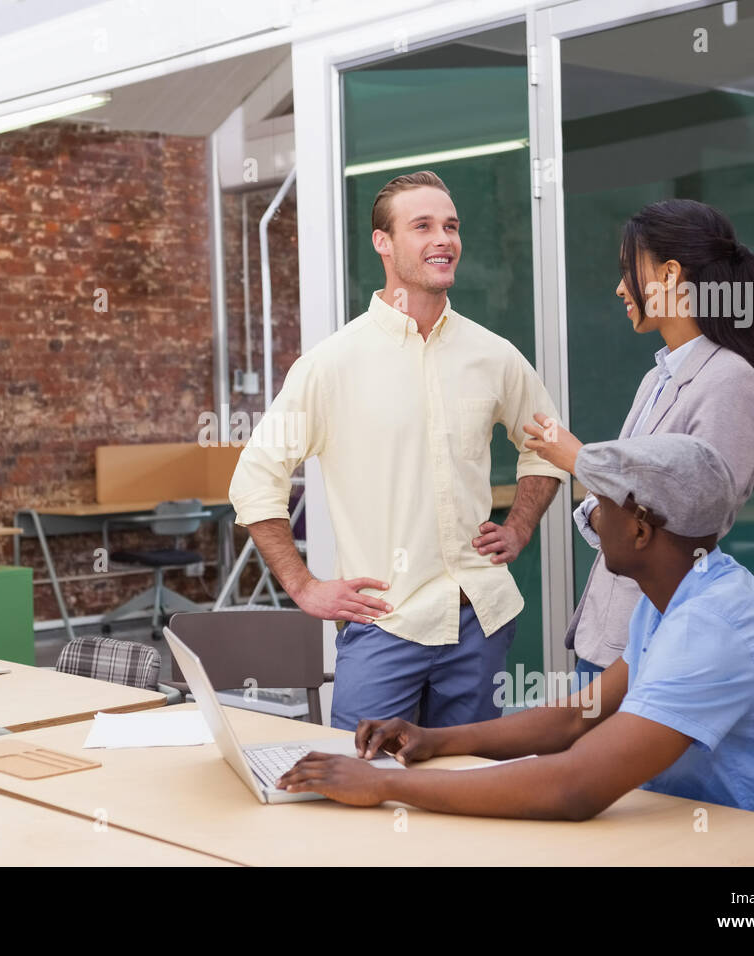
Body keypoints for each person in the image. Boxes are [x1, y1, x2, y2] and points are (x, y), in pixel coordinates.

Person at [276, 434, 754, 845]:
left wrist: (384, 787)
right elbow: (575, 719)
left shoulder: (712, 626)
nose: (590, 519)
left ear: (640, 527)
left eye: (600, 506)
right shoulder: (678, 597)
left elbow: (575, 787)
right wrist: (435, 740)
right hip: (703, 832)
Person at [228, 170, 565, 731]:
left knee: (470, 789)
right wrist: (304, 586)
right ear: (383, 243)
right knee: (363, 789)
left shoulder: (494, 355)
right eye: (423, 226)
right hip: (384, 625)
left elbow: (549, 445)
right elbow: (255, 479)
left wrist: (521, 526)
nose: (444, 239)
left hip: (480, 621)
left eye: (451, 226)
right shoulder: (332, 364)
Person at [522, 198, 754, 686]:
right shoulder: (658, 375)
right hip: (610, 631)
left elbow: (702, 512)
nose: (620, 288)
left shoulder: (730, 379)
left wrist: (579, 459)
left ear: (671, 273)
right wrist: (609, 496)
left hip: (657, 637)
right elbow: (622, 503)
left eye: (628, 271)